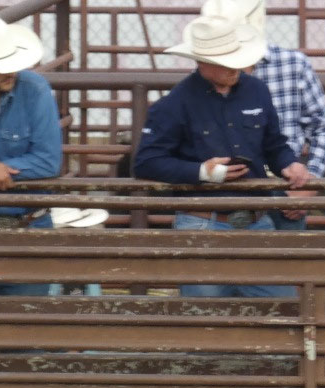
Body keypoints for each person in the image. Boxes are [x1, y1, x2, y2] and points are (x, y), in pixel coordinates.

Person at [133, 16, 311, 297]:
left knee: (280, 309)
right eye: (227, 61)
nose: (236, 67)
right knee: (208, 320)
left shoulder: (256, 91)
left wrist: (289, 164)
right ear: (203, 62)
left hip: (252, 218)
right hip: (204, 221)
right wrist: (202, 172)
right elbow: (146, 162)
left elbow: (274, 144)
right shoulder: (175, 104)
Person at [200, 0, 325, 231]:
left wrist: (308, 183)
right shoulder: (211, 70)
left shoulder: (294, 64)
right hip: (229, 183)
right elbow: (321, 127)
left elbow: (322, 128)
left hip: (282, 185)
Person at [0, 17, 62, 295]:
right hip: (24, 221)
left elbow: (48, 161)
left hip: (26, 224)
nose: (9, 72)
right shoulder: (34, 90)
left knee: (27, 324)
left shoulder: (35, 89)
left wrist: (2, 168)